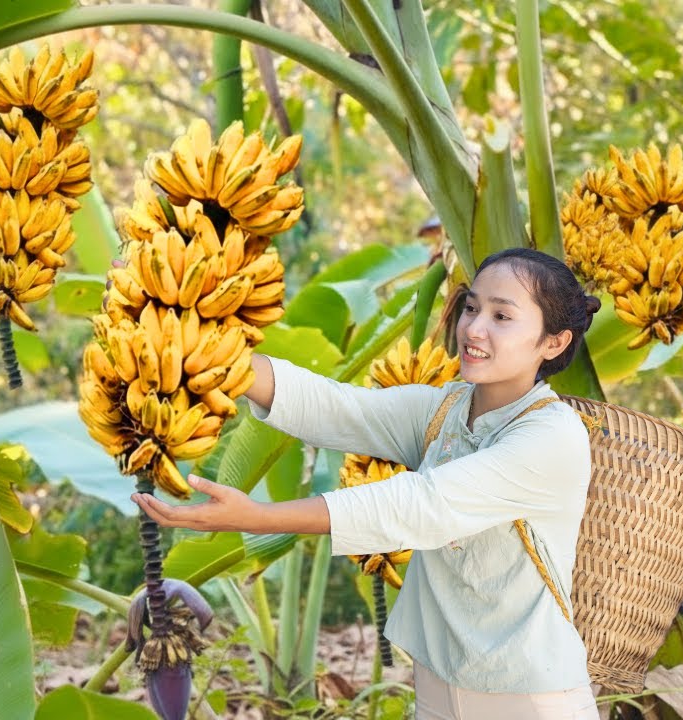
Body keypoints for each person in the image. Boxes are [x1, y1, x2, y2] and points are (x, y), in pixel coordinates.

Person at [132, 247, 604, 719]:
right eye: (472, 307)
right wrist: (189, 337)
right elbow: (337, 407)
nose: (474, 329)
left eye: (502, 316)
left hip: (530, 698)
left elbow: (422, 504)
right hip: (440, 686)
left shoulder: (552, 435)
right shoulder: (444, 410)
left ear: (553, 342)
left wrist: (260, 518)